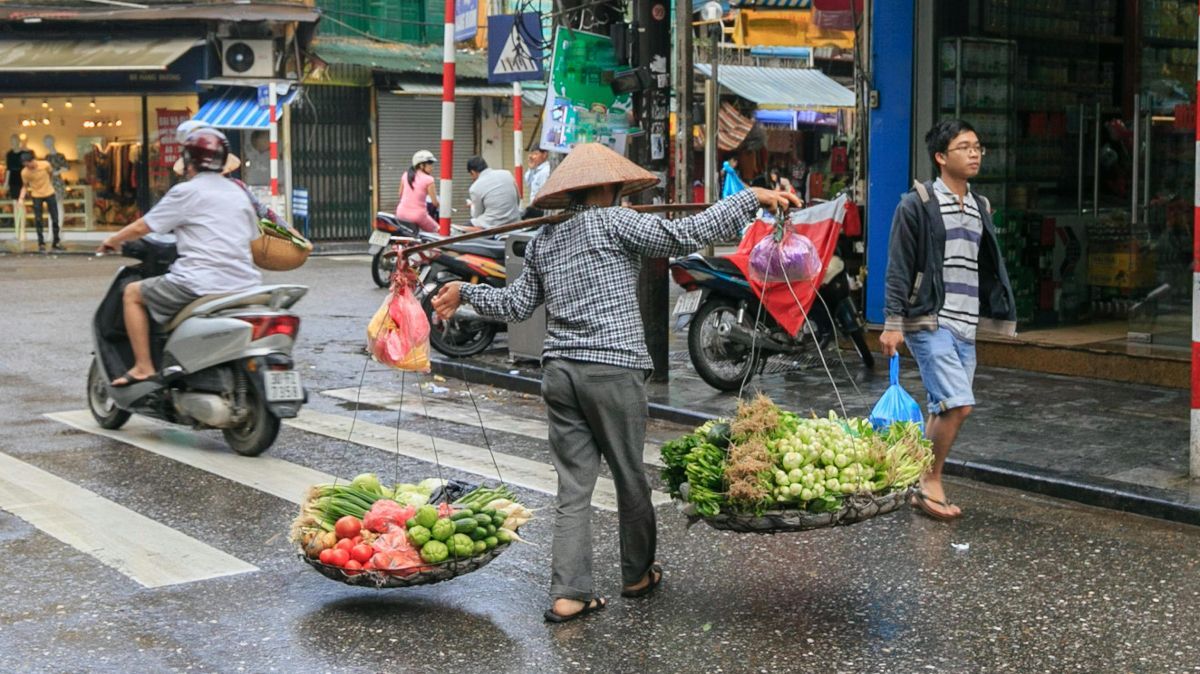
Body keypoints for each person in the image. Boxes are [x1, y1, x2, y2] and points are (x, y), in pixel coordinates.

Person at [431, 143, 799, 623]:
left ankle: (569, 593)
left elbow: (517, 305)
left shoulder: (545, 238)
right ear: (605, 188)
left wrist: (466, 292)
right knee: (630, 477)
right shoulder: (613, 221)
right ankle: (636, 575)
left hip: (560, 373)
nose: (622, 195)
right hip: (612, 368)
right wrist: (749, 197)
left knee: (573, 487)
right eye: (617, 189)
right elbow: (685, 233)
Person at [878, 119, 1016, 521]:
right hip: (928, 322)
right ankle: (929, 480)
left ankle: (912, 478)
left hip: (966, 324)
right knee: (959, 405)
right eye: (964, 147)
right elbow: (899, 267)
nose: (975, 153)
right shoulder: (917, 204)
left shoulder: (981, 206)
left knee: (942, 407)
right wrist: (892, 322)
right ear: (941, 157)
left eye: (978, 147)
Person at [96, 129, 262, 387]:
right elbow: (251, 237)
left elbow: (144, 227)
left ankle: (143, 367)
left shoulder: (186, 192)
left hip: (200, 282)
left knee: (132, 293)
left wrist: (112, 240)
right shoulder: (239, 193)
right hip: (246, 284)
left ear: (189, 161)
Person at [18, 151, 62, 252]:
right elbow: (25, 186)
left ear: (32, 160)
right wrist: (21, 198)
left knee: (55, 218)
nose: (28, 166)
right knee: (38, 220)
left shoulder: (45, 164)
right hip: (36, 195)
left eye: (28, 164)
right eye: (25, 165)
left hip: (49, 193)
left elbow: (50, 174)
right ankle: (41, 243)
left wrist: (47, 185)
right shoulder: (25, 172)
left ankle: (56, 242)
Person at [465, 155, 520, 229]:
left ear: (473, 172)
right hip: (514, 220)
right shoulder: (507, 173)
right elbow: (517, 199)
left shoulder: (475, 187)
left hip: (492, 225)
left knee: (462, 229)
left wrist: (472, 206)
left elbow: (477, 215)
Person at [396, 150, 440, 232]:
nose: (432, 167)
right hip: (418, 216)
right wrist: (441, 206)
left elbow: (400, 194)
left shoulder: (405, 175)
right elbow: (435, 203)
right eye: (429, 164)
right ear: (421, 165)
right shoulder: (429, 180)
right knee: (438, 232)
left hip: (401, 213)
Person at [523, 148, 551, 218]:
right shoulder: (536, 169)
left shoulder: (545, 171)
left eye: (536, 154)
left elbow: (544, 194)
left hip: (541, 210)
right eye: (532, 154)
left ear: (544, 155)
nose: (533, 157)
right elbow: (528, 183)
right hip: (535, 208)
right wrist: (531, 168)